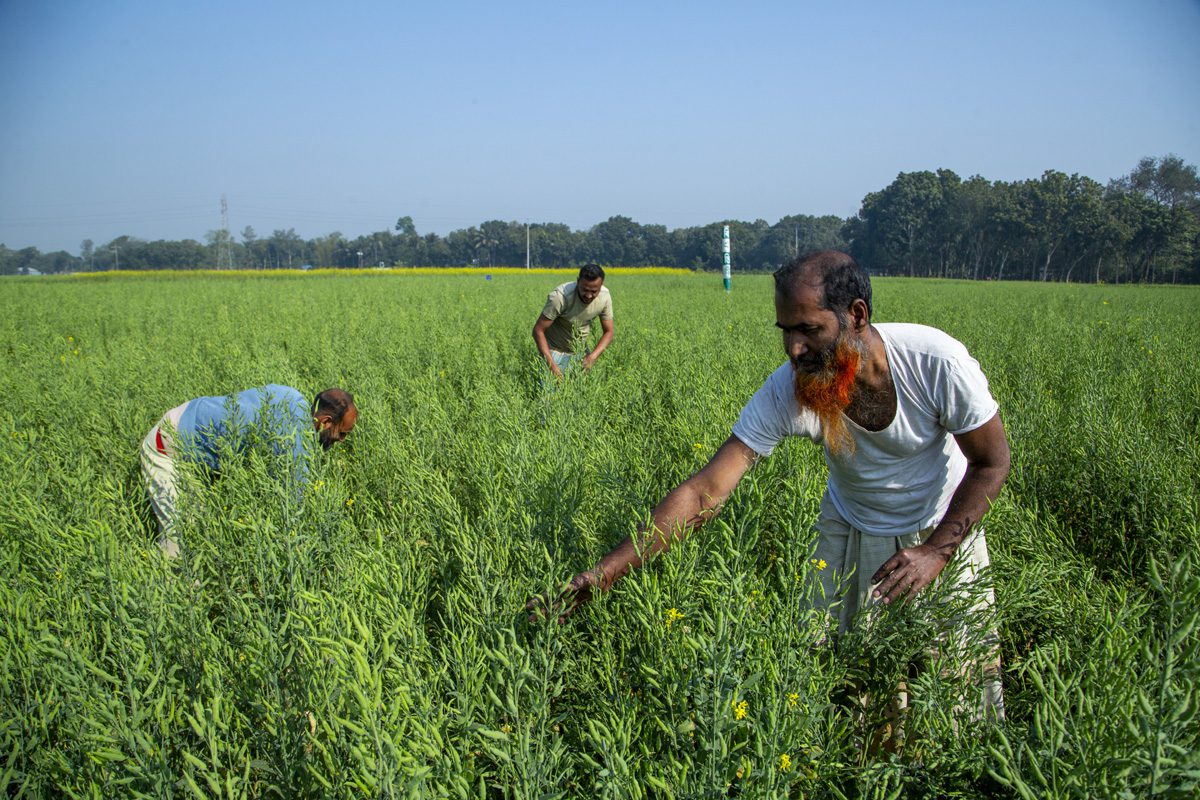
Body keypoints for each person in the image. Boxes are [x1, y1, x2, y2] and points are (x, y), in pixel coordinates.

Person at [531, 250, 1010, 718]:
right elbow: (705, 492)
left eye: (809, 330)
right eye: (786, 331)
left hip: (942, 526)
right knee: (851, 679)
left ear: (856, 315)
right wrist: (602, 576)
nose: (794, 349)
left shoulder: (934, 363)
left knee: (957, 683)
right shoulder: (791, 386)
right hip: (853, 525)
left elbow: (991, 464)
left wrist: (936, 551)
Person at [139, 385, 357, 556]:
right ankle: (167, 594)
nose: (342, 440)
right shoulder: (294, 443)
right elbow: (293, 504)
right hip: (167, 446)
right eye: (342, 433)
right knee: (182, 539)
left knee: (205, 525)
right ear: (326, 421)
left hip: (190, 417)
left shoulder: (294, 398)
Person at [532, 264, 614, 378]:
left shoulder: (604, 296)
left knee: (580, 393)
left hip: (580, 352)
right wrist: (552, 366)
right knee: (550, 394)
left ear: (601, 285)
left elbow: (609, 332)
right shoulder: (560, 297)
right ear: (578, 281)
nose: (589, 295)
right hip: (554, 351)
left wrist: (592, 357)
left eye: (594, 291)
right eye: (585, 290)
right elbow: (538, 330)